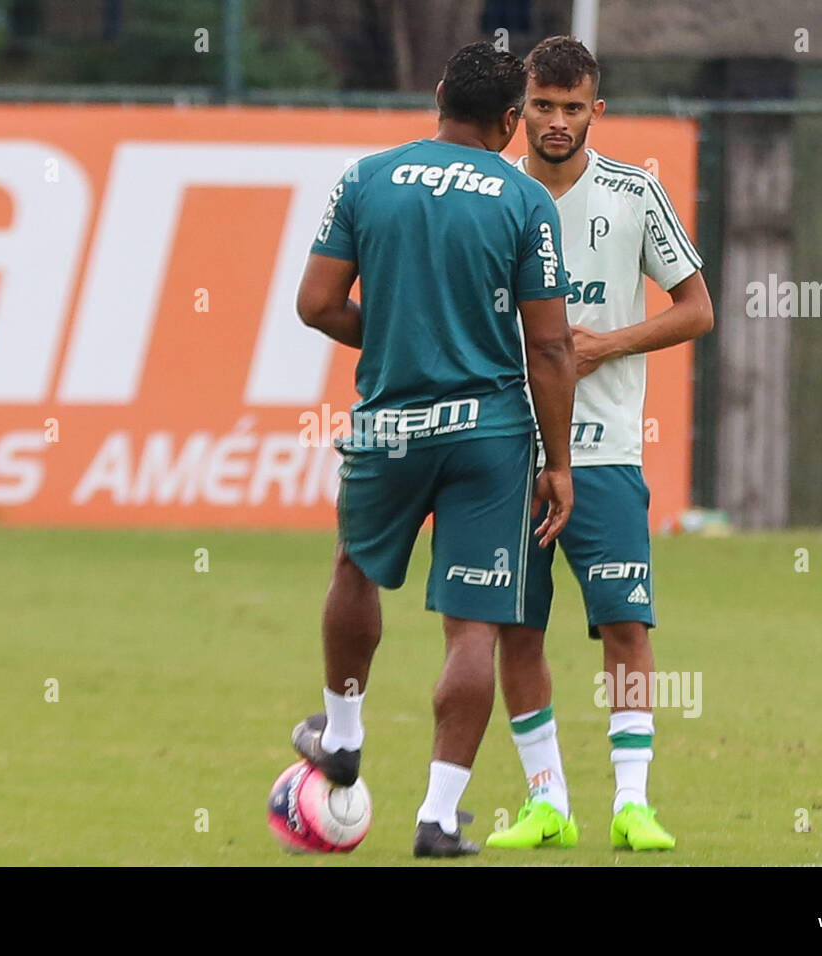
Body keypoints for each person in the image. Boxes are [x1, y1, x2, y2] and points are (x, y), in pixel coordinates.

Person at [290, 41, 576, 858]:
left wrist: (389, 334)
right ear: (512, 120)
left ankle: (342, 732)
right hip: (489, 432)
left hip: (389, 422)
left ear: (441, 94)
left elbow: (316, 303)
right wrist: (557, 464)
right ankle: (439, 817)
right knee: (474, 627)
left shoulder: (367, 178)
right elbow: (549, 349)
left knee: (355, 567)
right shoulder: (526, 202)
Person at [486, 35, 714, 852]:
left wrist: (604, 346)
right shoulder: (494, 194)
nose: (555, 122)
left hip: (607, 449)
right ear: (521, 111)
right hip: (508, 448)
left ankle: (632, 802)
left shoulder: (635, 192)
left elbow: (697, 307)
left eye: (572, 108)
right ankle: (547, 799)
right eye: (542, 107)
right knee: (516, 625)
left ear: (596, 111)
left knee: (626, 626)